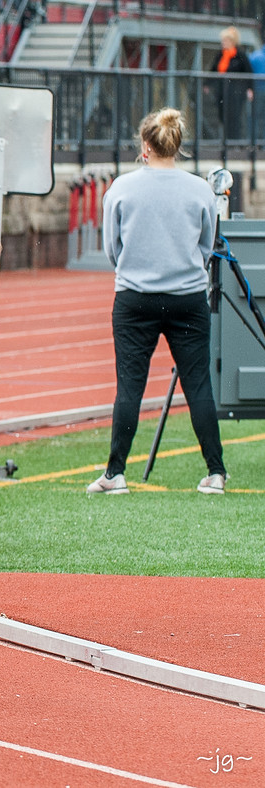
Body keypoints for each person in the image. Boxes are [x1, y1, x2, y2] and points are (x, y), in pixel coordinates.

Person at [87, 108, 226, 495]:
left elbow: (112, 247)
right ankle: (216, 472)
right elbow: (207, 245)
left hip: (135, 297)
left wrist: (135, 269)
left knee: (130, 386)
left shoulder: (122, 188)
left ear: (145, 145)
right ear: (177, 145)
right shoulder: (200, 189)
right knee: (198, 384)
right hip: (188, 297)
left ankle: (115, 472)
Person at [210, 26, 253, 142]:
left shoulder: (240, 55)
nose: (223, 43)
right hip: (222, 92)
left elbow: (248, 72)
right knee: (222, 116)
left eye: (226, 40)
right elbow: (213, 70)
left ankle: (235, 141)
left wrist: (249, 89)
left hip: (236, 93)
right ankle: (226, 141)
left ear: (232, 41)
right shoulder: (221, 55)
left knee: (235, 117)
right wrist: (207, 84)